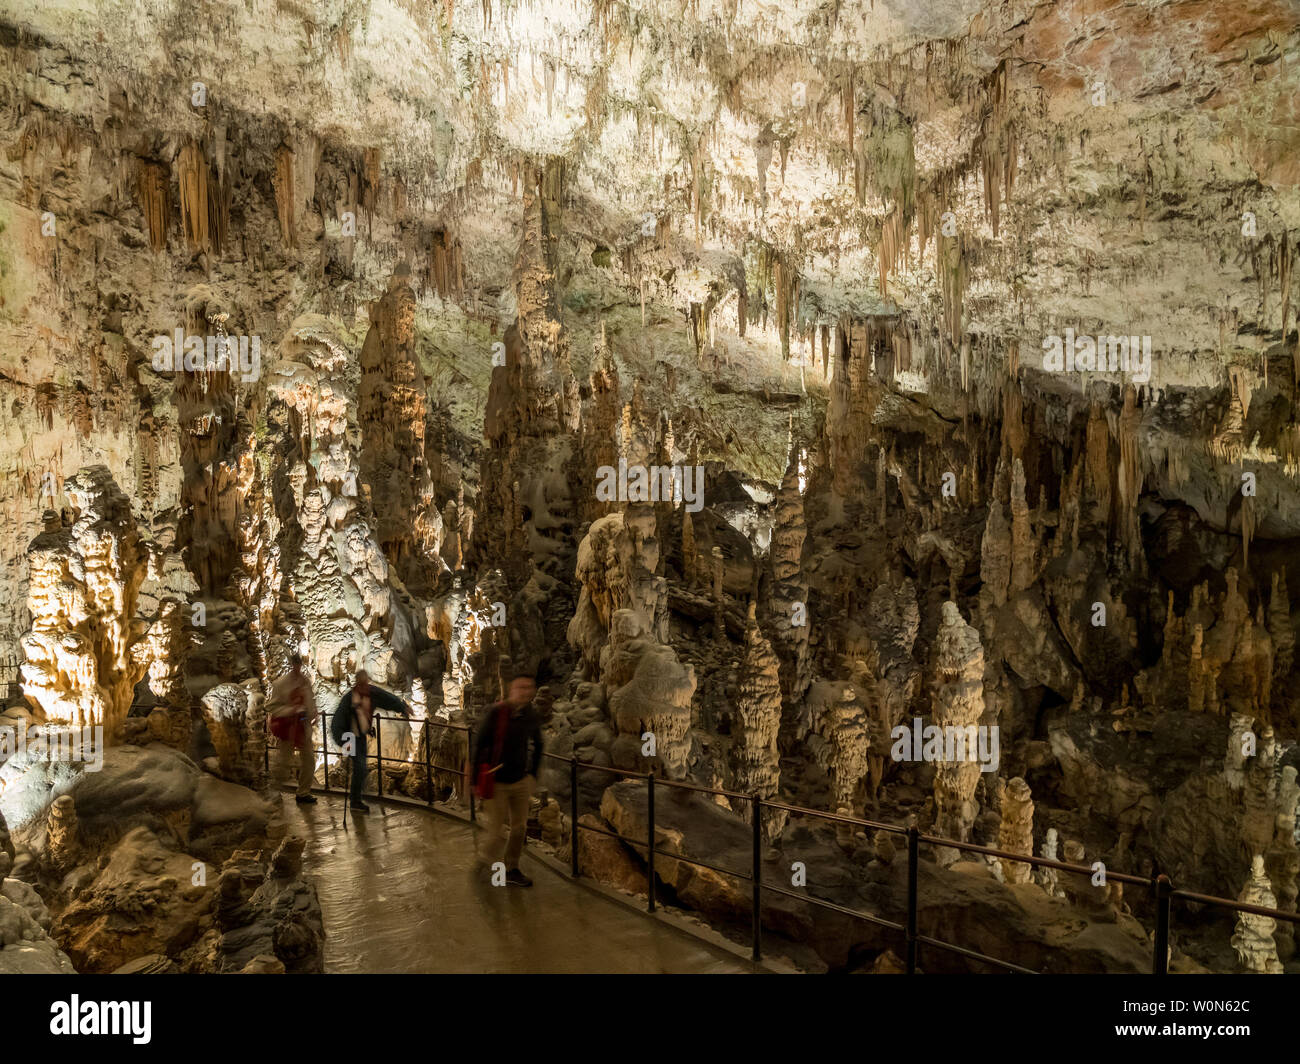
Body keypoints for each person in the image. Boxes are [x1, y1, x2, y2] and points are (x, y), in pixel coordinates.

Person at [473, 673, 544, 887]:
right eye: (520, 687)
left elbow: (539, 743)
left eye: (529, 688)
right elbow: (480, 743)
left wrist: (533, 773)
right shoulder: (497, 712)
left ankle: (512, 868)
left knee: (519, 828)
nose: (525, 692)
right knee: (496, 831)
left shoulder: (530, 714)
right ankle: (488, 863)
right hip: (497, 781)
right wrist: (475, 779)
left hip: (520, 780)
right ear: (511, 689)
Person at [330, 669, 409, 815]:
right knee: (359, 765)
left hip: (359, 736)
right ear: (358, 683)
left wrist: (401, 706)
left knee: (360, 765)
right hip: (348, 735)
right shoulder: (349, 699)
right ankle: (355, 801)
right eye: (362, 684)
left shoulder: (370, 693)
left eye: (366, 683)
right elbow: (338, 721)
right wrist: (343, 740)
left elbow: (386, 698)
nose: (365, 686)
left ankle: (358, 795)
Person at [267, 653, 318, 805]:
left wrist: (312, 712)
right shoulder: (281, 683)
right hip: (288, 728)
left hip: (303, 728)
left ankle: (303, 792)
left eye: (299, 664)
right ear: (292, 664)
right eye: (295, 664)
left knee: (309, 760)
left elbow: (310, 700)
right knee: (283, 762)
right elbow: (272, 707)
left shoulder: (305, 681)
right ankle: (273, 790)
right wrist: (292, 710)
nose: (297, 667)